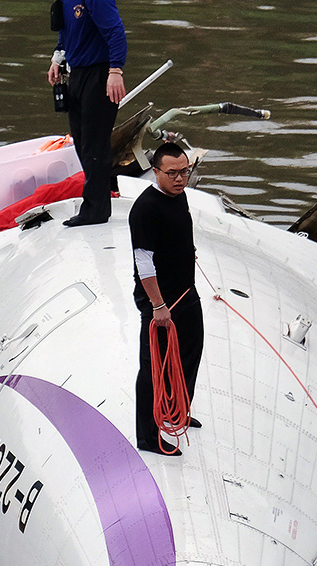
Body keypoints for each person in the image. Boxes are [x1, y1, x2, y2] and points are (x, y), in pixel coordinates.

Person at [130, 142, 203, 456]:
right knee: (153, 367)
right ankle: (149, 436)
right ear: (155, 172)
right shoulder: (146, 208)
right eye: (172, 173)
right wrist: (158, 306)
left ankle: (176, 411)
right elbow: (143, 262)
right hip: (161, 302)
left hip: (186, 291)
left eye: (184, 171)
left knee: (191, 351)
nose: (180, 178)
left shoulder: (180, 195)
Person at [48, 0, 127, 227]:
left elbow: (115, 31)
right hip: (77, 73)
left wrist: (115, 70)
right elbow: (66, 32)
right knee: (81, 140)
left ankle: (95, 210)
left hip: (100, 73)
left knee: (95, 144)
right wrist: (57, 59)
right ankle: (98, 199)